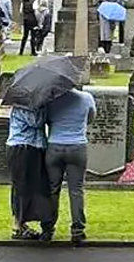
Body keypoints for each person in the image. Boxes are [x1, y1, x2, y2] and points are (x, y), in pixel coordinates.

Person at [42, 88, 96, 245]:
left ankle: (48, 229)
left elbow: (47, 120)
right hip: (77, 146)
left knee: (52, 189)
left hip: (55, 145)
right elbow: (91, 118)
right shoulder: (86, 98)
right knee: (76, 190)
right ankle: (77, 230)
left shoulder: (51, 100)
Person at [6, 106, 49, 240]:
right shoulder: (22, 106)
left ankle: (26, 223)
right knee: (21, 187)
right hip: (21, 147)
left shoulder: (38, 105)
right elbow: (35, 122)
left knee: (36, 187)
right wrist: (47, 112)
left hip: (36, 147)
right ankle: (18, 225)